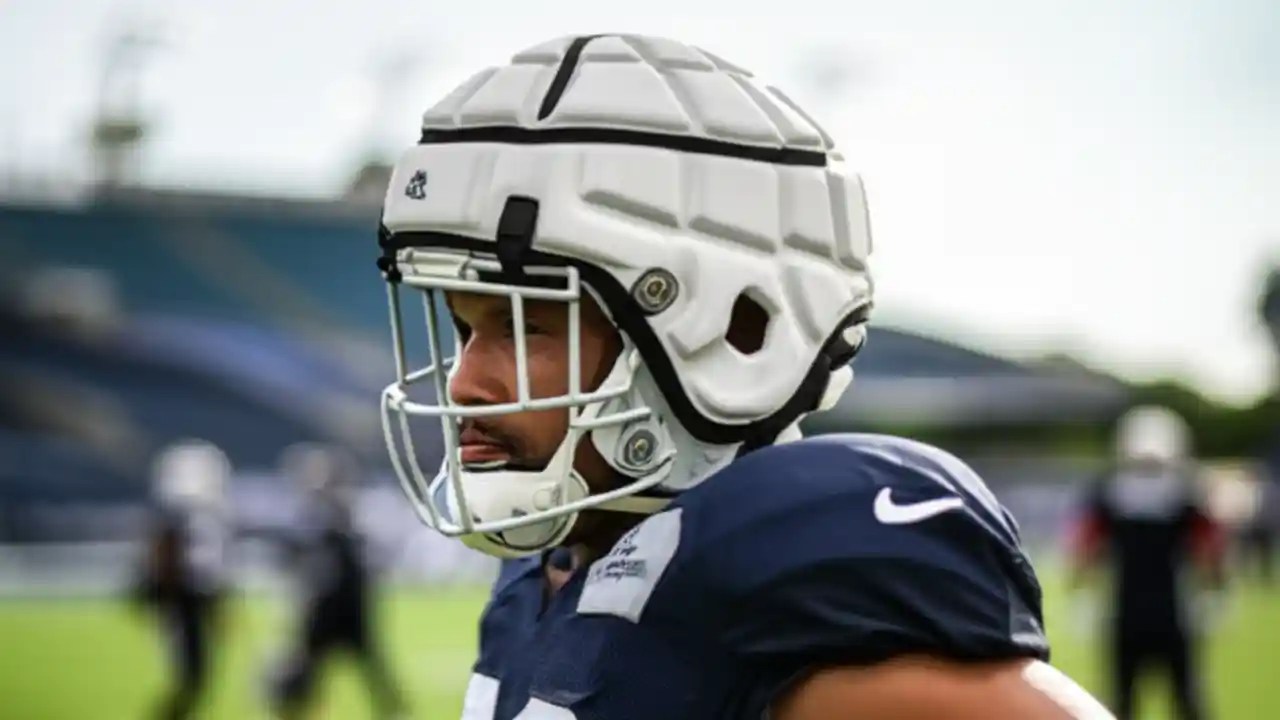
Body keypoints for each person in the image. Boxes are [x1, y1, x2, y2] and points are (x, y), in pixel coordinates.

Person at [372, 33, 1112, 719]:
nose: (464, 382)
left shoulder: (765, 595)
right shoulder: (538, 578)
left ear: (730, 331)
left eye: (525, 326)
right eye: (466, 329)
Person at [1069, 405, 1226, 720]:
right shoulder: (1185, 489)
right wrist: (1215, 589)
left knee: (1124, 700)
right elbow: (1208, 547)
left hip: (1130, 611)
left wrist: (1080, 590)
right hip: (1169, 612)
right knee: (1183, 696)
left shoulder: (1109, 488)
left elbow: (1085, 547)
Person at [265, 442, 407, 720]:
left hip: (343, 607)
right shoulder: (320, 516)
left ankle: (393, 712)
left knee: (367, 669)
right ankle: (290, 707)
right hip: (326, 608)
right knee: (311, 670)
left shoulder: (336, 514)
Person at [133, 439, 233, 720]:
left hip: (190, 600)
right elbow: (167, 560)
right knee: (193, 678)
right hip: (182, 601)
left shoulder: (185, 514)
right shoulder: (176, 516)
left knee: (195, 678)